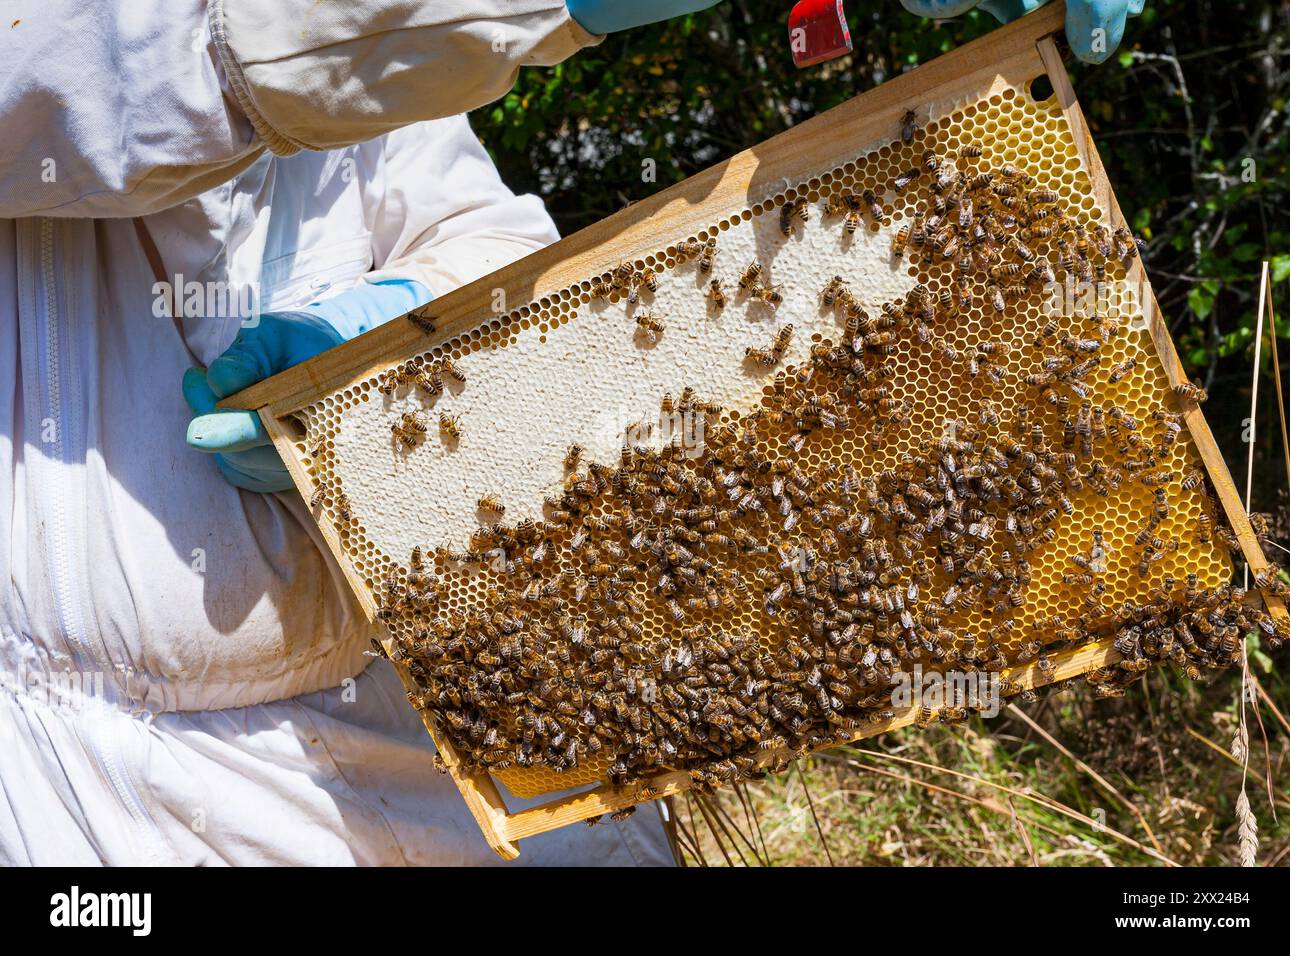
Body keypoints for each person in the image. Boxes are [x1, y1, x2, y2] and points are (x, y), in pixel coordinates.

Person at [0, 0, 1139, 866]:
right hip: (102, 790)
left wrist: (399, 331)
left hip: (440, 700)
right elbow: (129, 68)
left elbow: (466, 228)